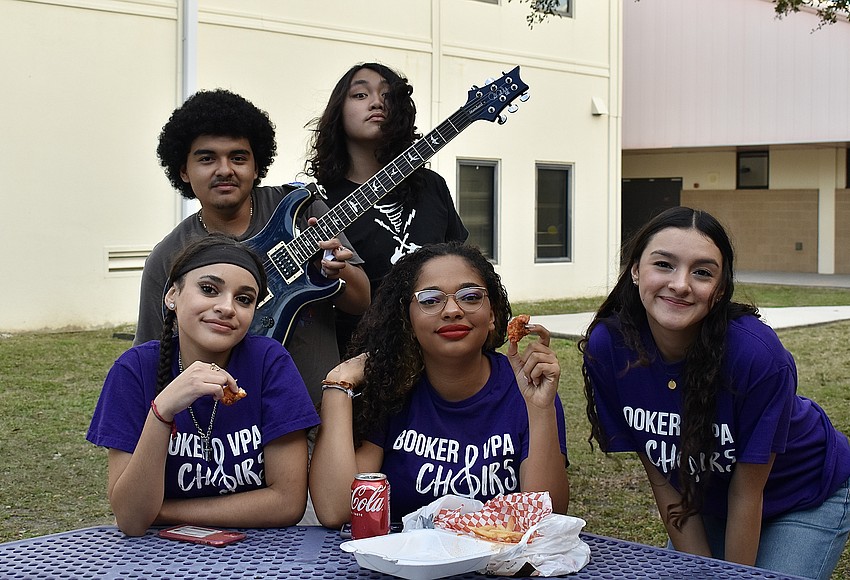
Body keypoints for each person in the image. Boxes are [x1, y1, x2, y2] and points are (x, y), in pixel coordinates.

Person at [580, 206, 850, 579]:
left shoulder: (756, 354)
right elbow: (661, 474)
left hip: (801, 492)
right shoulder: (609, 347)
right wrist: (701, 569)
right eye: (664, 265)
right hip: (708, 497)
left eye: (702, 272)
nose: (681, 284)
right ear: (635, 270)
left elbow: (747, 491)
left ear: (720, 290)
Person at [135, 88, 370, 405]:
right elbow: (151, 357)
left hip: (316, 411)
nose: (225, 169)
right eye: (207, 158)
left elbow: (362, 301)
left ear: (257, 167)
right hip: (226, 428)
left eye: (238, 157)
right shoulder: (169, 256)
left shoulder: (302, 212)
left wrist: (337, 275)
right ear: (183, 171)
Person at [308, 241, 569, 527]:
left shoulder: (526, 387)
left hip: (496, 561)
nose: (453, 310)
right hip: (406, 564)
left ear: (492, 315)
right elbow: (337, 510)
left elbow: (546, 517)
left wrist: (540, 409)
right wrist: (337, 385)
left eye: (470, 296)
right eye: (430, 300)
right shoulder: (390, 387)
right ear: (407, 319)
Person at [88, 235, 320, 536]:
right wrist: (163, 411)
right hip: (157, 557)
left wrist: (162, 512)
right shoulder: (133, 371)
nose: (227, 308)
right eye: (209, 290)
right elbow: (132, 520)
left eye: (244, 298)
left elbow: (287, 503)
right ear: (172, 295)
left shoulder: (269, 362)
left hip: (260, 553)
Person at [305, 62, 468, 356]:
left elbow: (466, 261)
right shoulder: (318, 199)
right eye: (360, 95)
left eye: (387, 95)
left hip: (438, 350)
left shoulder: (431, 186)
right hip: (359, 357)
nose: (377, 102)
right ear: (338, 112)